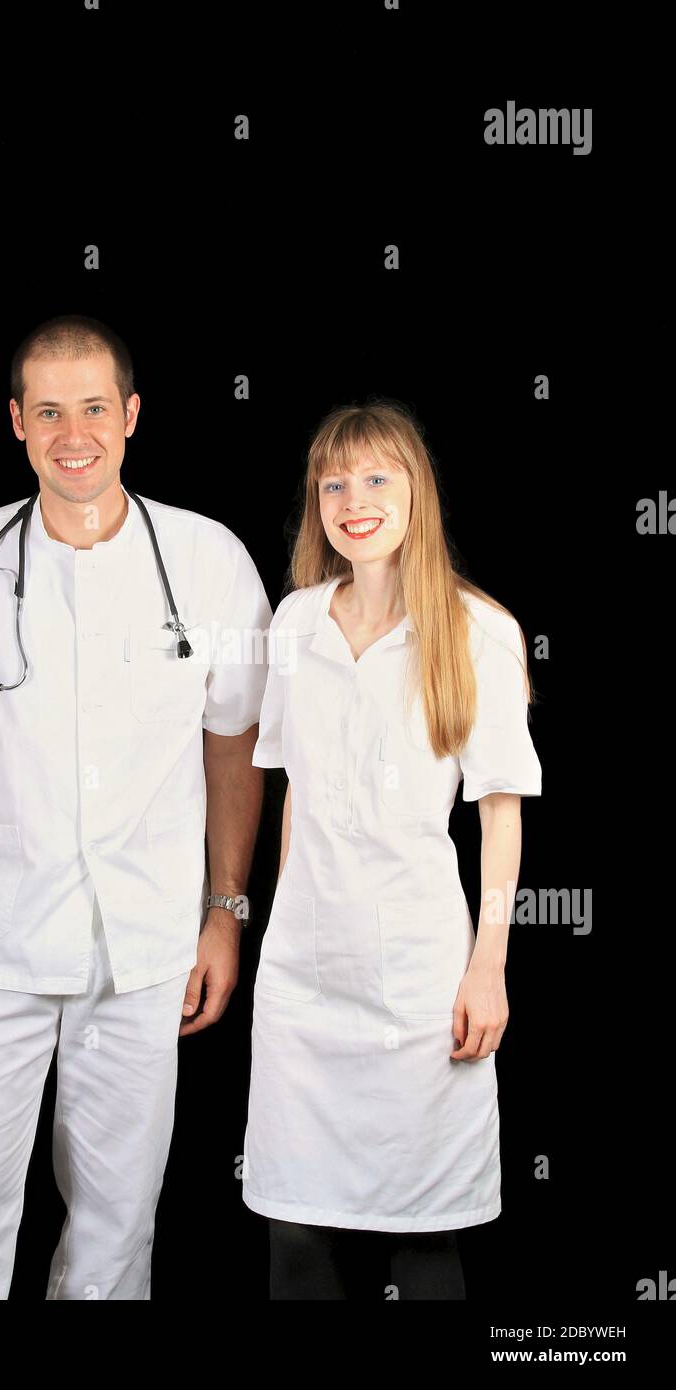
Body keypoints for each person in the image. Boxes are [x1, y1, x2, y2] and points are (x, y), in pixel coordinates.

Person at [0, 314, 272, 1300]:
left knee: (118, 1226)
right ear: (14, 423)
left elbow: (234, 742)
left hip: (145, 948)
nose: (71, 433)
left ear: (129, 416)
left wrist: (225, 909)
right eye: (47, 411)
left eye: (91, 408)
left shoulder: (207, 562)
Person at [242, 400, 543, 1299]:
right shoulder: (294, 623)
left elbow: (500, 813)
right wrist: (281, 933)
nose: (354, 499)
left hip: (421, 979)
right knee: (295, 1230)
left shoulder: (477, 631)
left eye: (377, 477)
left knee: (425, 1234)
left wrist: (487, 966)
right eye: (334, 482)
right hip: (302, 979)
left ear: (418, 492)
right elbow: (291, 790)